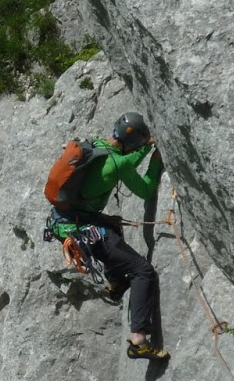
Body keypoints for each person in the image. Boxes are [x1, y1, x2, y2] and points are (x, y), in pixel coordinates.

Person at [51, 111, 168, 360]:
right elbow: (146, 189)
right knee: (142, 271)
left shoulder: (98, 145)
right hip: (85, 230)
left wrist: (144, 149)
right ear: (134, 141)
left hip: (69, 222)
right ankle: (139, 340)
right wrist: (156, 159)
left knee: (113, 225)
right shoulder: (119, 164)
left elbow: (123, 163)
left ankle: (115, 282)